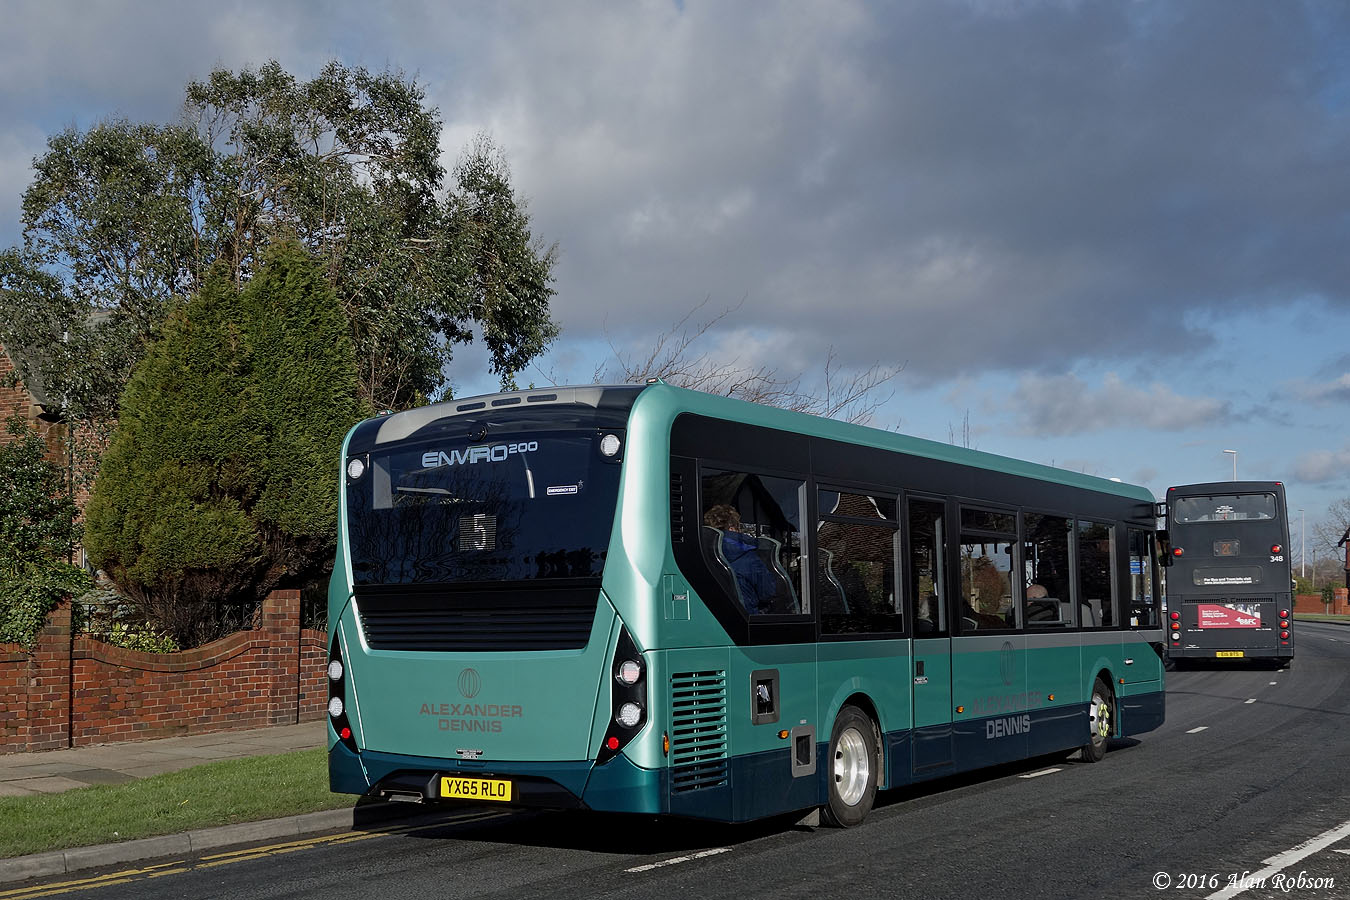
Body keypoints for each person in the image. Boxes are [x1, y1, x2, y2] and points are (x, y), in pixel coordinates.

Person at [704, 504, 780, 614]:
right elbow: (768, 593)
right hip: (746, 616)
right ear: (732, 528)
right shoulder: (748, 557)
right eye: (739, 527)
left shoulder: (704, 554)